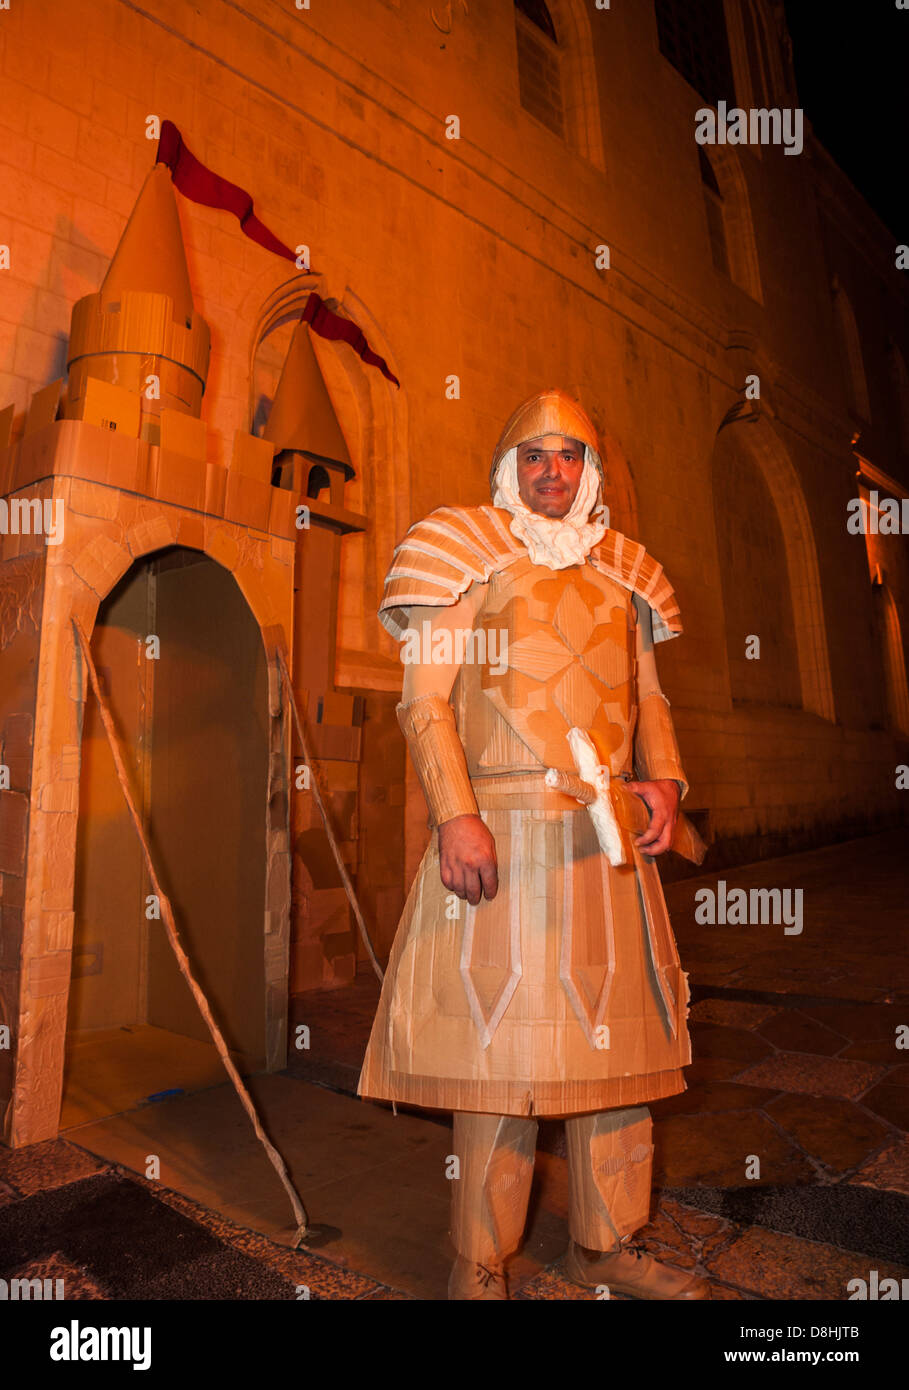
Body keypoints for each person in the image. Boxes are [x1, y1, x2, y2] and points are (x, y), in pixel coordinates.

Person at [358, 389, 708, 1301]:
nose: (552, 471)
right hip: (502, 832)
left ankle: (610, 1244)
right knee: (499, 1062)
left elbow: (650, 696)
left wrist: (664, 782)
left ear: (590, 469)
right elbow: (423, 699)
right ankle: (477, 1262)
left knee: (618, 1058)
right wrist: (454, 814)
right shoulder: (460, 554)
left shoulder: (627, 572)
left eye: (569, 455)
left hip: (606, 845)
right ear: (507, 467)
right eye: (534, 454)